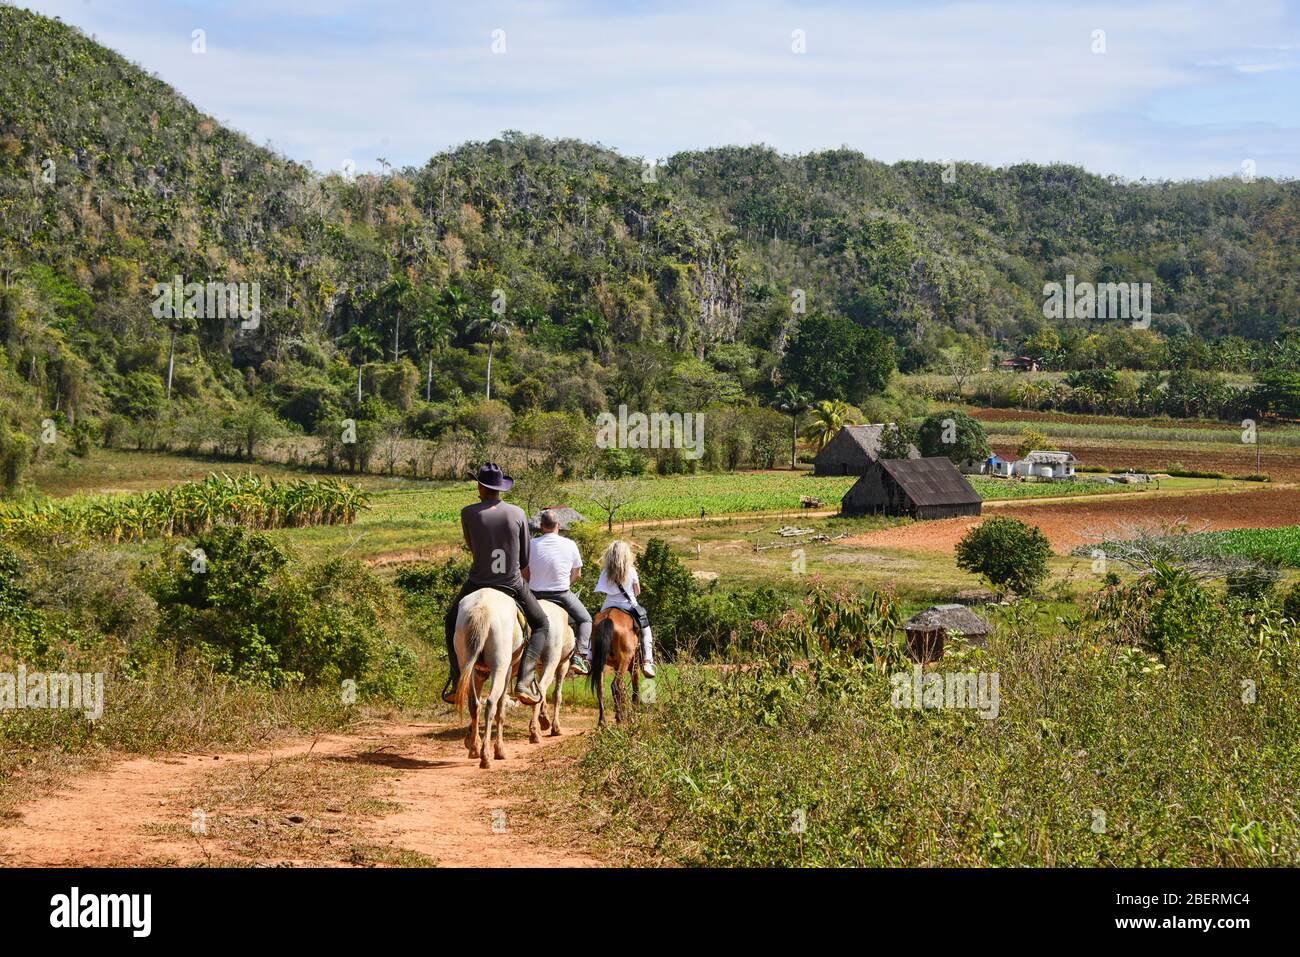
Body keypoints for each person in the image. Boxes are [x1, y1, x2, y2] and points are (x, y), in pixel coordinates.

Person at [441, 463, 550, 706]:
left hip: (477, 581)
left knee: (450, 621)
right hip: (511, 583)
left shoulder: (468, 513)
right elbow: (523, 559)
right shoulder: (518, 513)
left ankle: (457, 676)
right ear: (500, 488)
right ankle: (524, 681)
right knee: (541, 624)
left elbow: (472, 546)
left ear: (480, 486)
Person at [523, 509, 592, 676]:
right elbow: (577, 573)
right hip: (561, 594)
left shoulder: (531, 544)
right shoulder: (570, 545)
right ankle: (579, 655)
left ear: (540, 526)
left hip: (534, 595)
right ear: (558, 526)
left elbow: (524, 572)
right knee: (586, 620)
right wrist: (566, 584)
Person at [594, 540, 655, 678]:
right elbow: (637, 591)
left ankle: (589, 656)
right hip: (629, 605)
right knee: (646, 629)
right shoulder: (631, 570)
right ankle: (647, 661)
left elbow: (602, 590)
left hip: (608, 605)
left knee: (594, 625)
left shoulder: (605, 572)